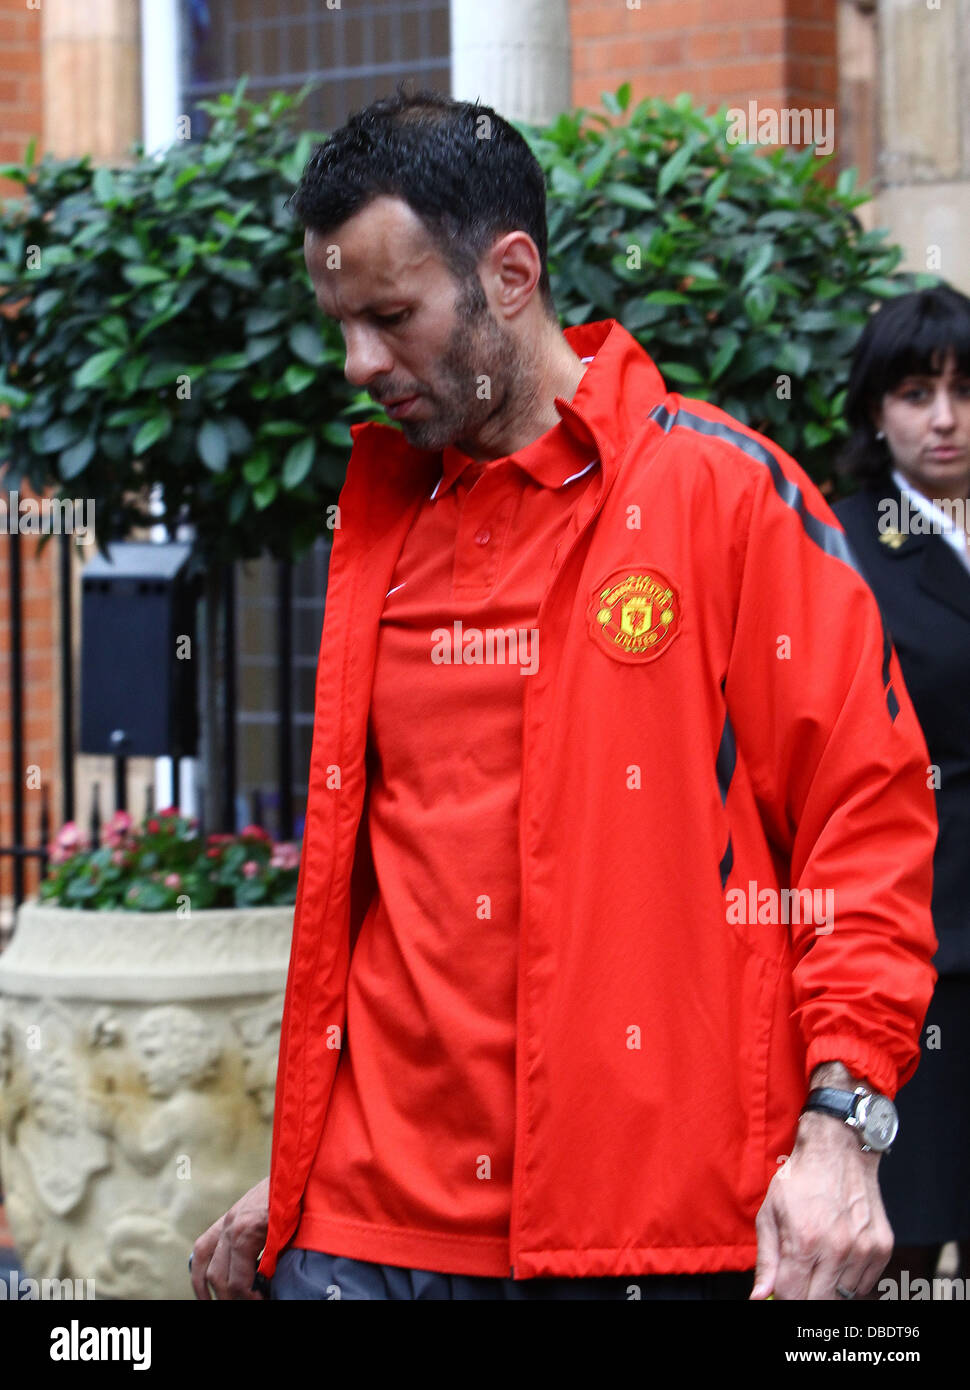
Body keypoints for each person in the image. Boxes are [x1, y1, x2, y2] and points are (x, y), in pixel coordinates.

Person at [190, 89, 937, 1303]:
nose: (358, 364)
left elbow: (867, 824)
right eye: (340, 323)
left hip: (644, 1234)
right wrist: (304, 1165)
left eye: (390, 316)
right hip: (361, 1237)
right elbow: (382, 896)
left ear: (511, 272)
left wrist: (841, 1126)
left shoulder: (722, 493)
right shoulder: (379, 521)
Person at [832, 285, 970, 1295]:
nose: (945, 418)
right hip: (917, 963)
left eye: (965, 392)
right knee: (894, 1261)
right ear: (877, 409)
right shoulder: (842, 549)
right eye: (917, 391)